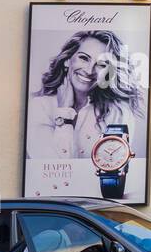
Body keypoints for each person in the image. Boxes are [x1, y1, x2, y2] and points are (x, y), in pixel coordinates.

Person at [26, 30, 144, 160]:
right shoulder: (39, 107)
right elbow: (54, 168)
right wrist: (65, 112)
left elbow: (112, 168)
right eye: (83, 58)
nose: (89, 70)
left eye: (102, 65)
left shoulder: (119, 113)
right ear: (67, 60)